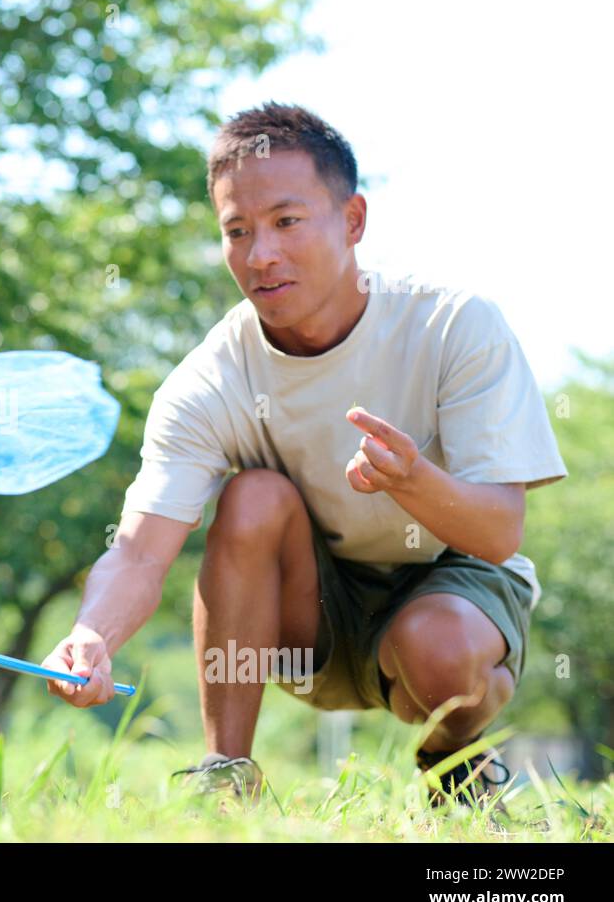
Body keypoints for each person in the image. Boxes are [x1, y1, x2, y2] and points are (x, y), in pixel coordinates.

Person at [41, 103, 567, 806]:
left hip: (450, 580)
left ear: (352, 222)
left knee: (437, 648)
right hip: (309, 617)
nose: (260, 255)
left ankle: (454, 758)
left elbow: (500, 533)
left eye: (286, 221)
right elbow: (139, 553)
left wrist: (413, 482)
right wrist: (90, 633)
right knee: (253, 495)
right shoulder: (209, 383)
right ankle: (225, 774)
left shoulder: (454, 325)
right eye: (237, 231)